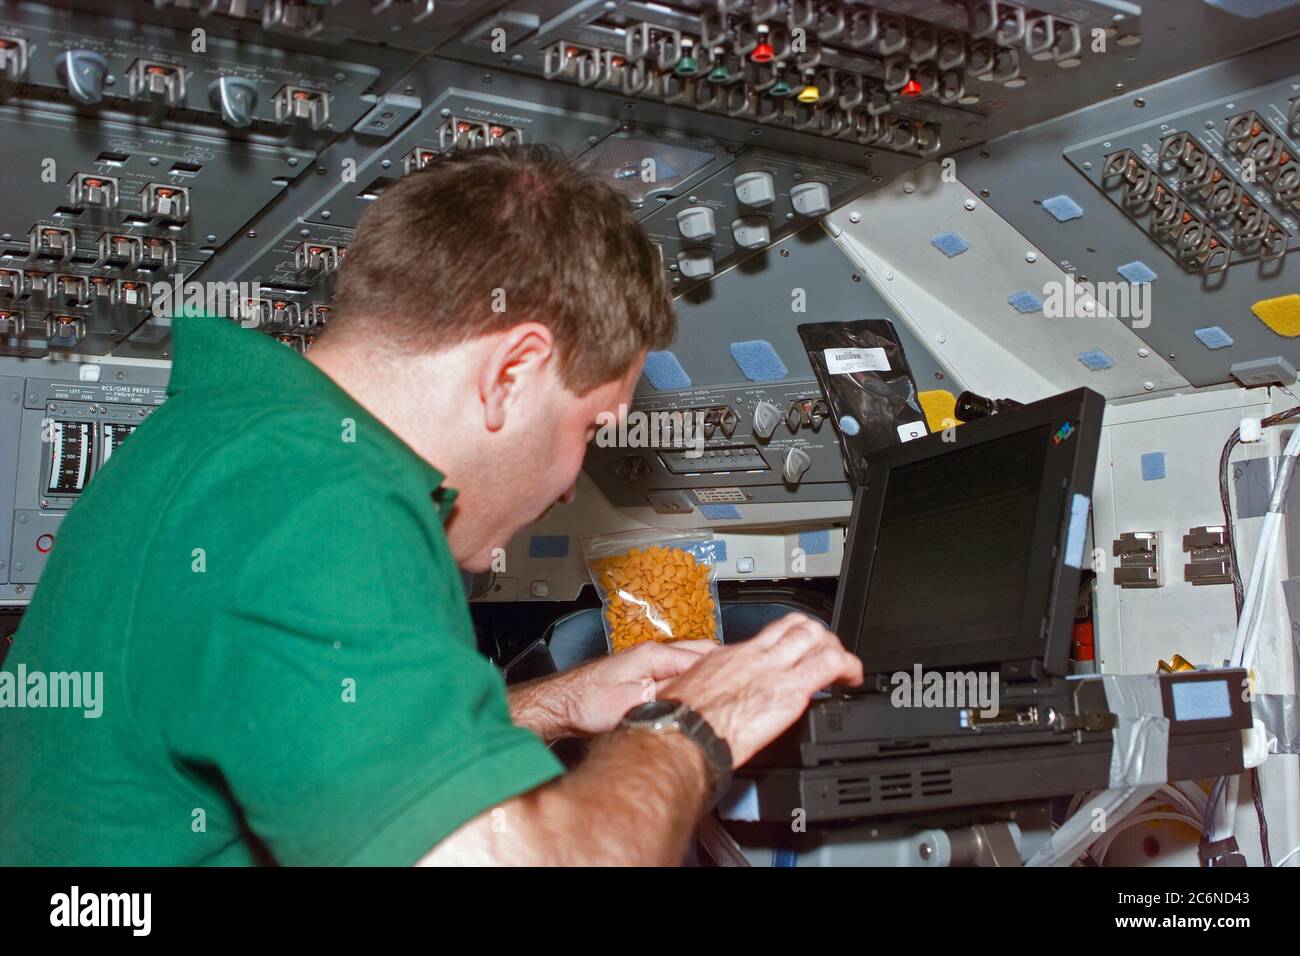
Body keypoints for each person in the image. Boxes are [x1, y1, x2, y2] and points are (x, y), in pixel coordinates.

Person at [0, 145, 862, 866]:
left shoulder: (231, 443)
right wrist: (692, 730)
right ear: (512, 374)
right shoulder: (328, 504)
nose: (571, 484)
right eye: (593, 426)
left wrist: (553, 706)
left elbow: (302, 739)